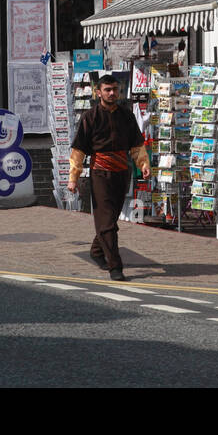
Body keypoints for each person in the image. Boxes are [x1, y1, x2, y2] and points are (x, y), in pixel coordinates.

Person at [67, 73, 151, 281]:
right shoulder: (90, 117)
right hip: (100, 174)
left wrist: (144, 164)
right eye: (107, 90)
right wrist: (73, 177)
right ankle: (115, 265)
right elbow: (78, 151)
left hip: (122, 172)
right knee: (107, 222)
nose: (112, 93)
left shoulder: (126, 116)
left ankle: (97, 251)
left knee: (110, 218)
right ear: (99, 92)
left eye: (114, 89)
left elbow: (136, 145)